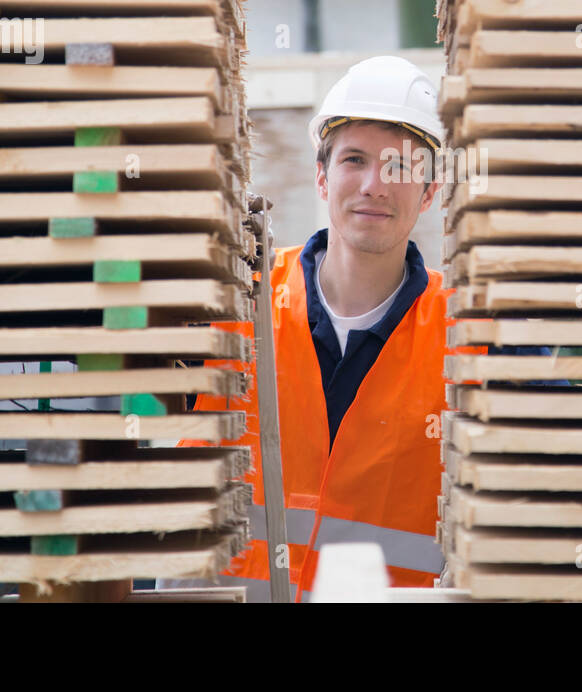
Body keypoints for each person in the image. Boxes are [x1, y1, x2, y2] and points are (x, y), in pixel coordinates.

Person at [177, 55, 489, 602]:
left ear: (431, 191)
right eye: (354, 160)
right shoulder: (237, 303)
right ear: (321, 176)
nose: (374, 185)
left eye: (399, 166)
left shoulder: (464, 334)